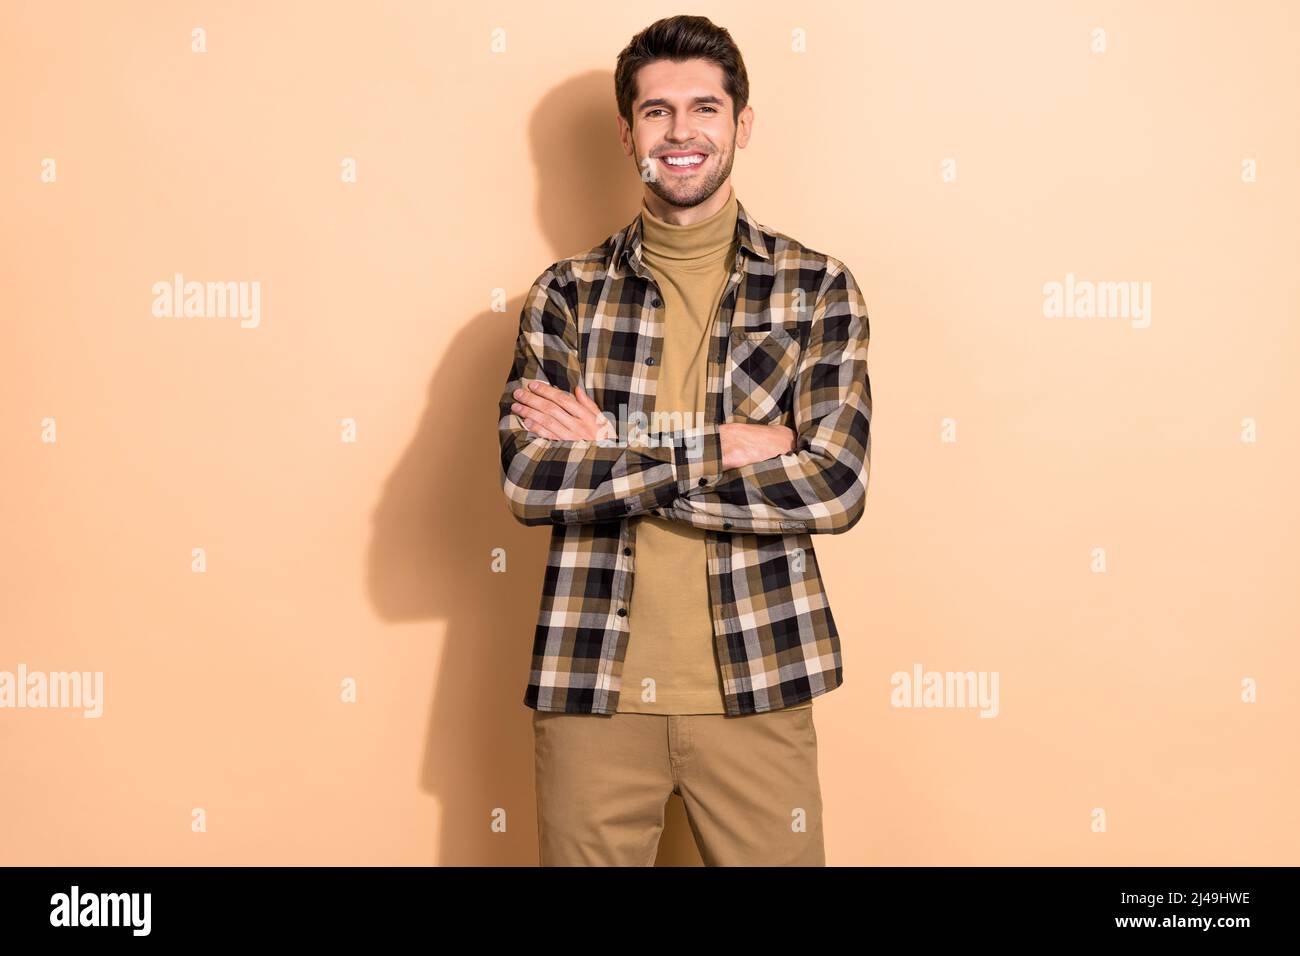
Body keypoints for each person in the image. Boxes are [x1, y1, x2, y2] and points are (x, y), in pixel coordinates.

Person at [498, 14, 872, 866]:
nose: (681, 132)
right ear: (627, 131)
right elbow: (529, 479)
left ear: (742, 124)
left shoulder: (817, 289)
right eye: (657, 111)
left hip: (761, 687)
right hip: (591, 689)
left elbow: (835, 485)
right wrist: (726, 446)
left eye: (704, 108)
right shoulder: (566, 296)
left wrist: (611, 444)